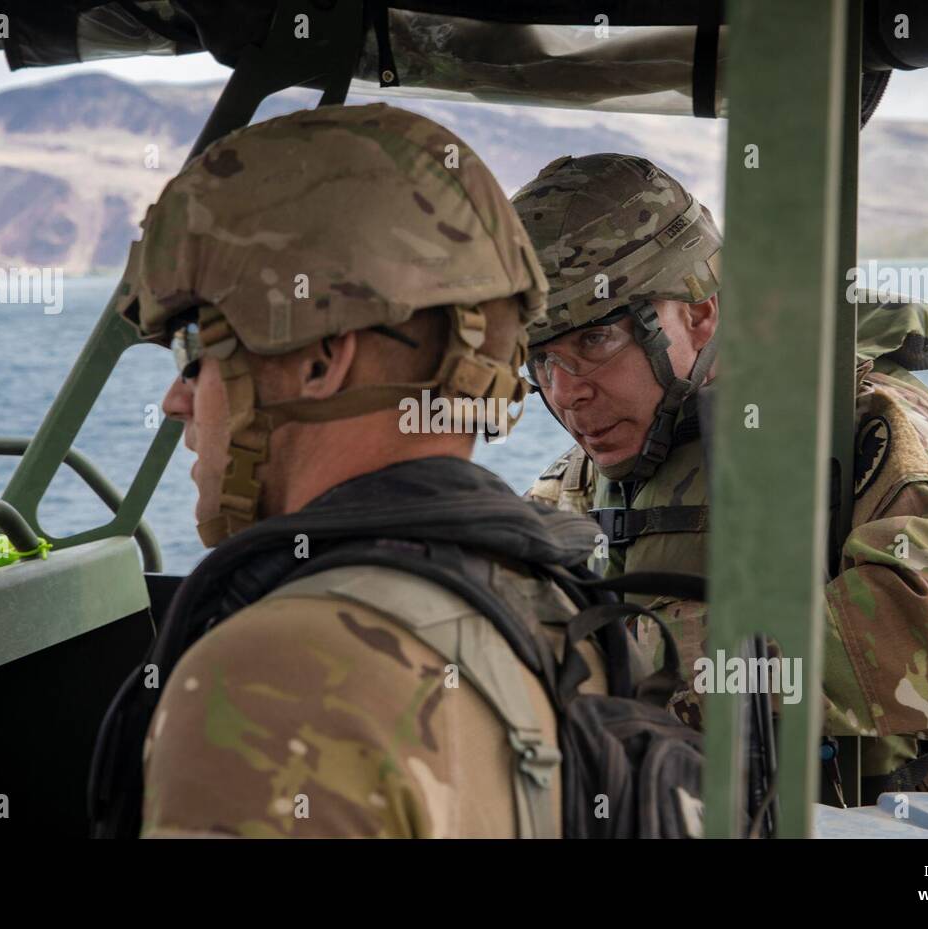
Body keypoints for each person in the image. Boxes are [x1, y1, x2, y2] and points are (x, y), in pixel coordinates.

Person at [88, 104, 648, 839]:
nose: (175, 398)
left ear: (321, 357)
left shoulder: (280, 674)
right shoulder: (561, 606)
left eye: (196, 346)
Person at [515, 152, 928, 819]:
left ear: (700, 314)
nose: (567, 393)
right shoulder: (595, 467)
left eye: (595, 340)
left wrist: (631, 656)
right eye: (542, 358)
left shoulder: (863, 424)